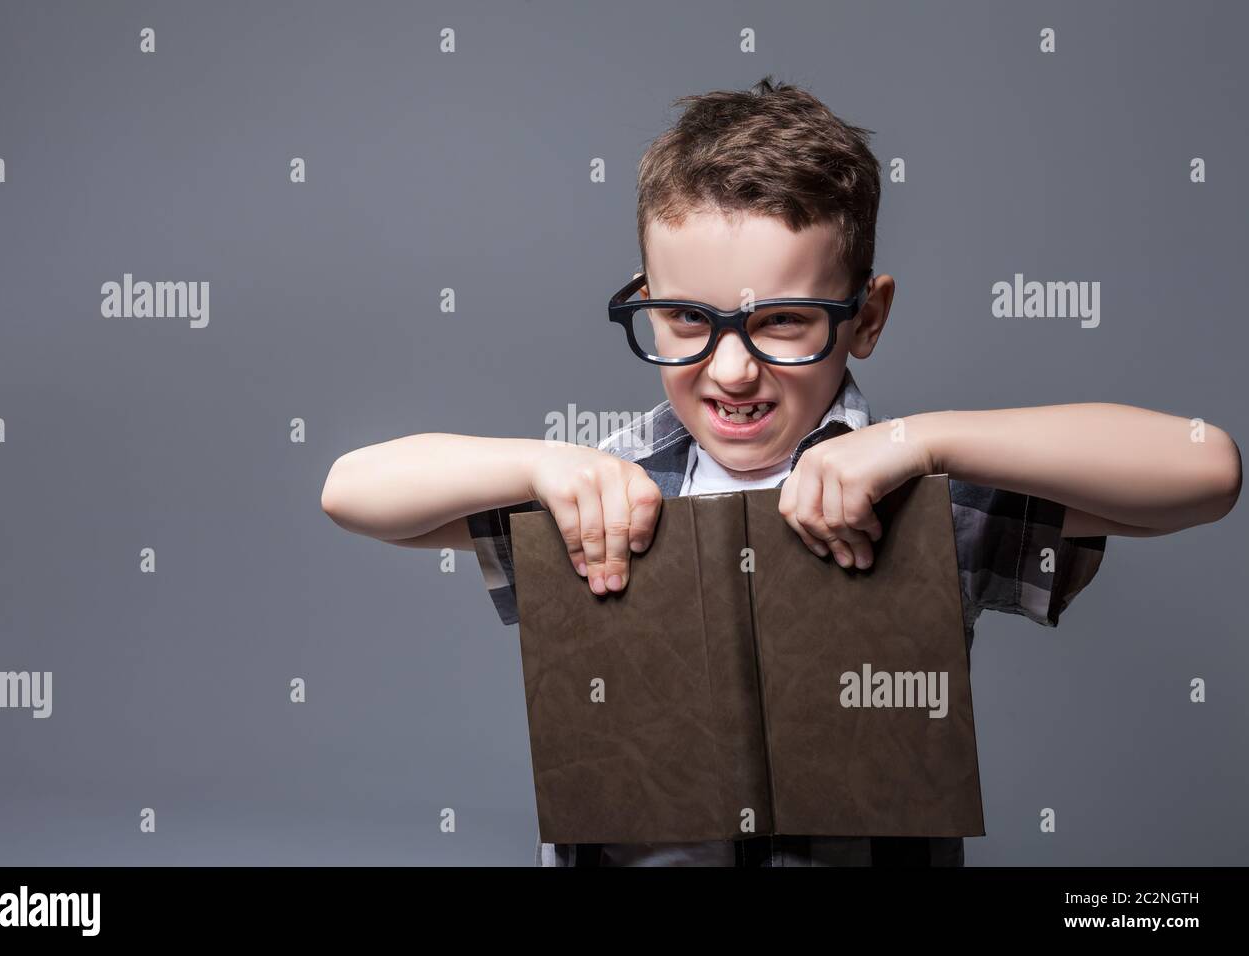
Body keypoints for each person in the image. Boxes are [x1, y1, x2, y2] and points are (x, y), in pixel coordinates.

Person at [320, 77, 1241, 867]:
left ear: (866, 318)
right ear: (644, 300)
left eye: (785, 322)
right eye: (686, 319)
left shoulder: (922, 497)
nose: (731, 370)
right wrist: (535, 460)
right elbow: (352, 491)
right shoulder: (601, 494)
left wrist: (923, 442)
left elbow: (1204, 468)